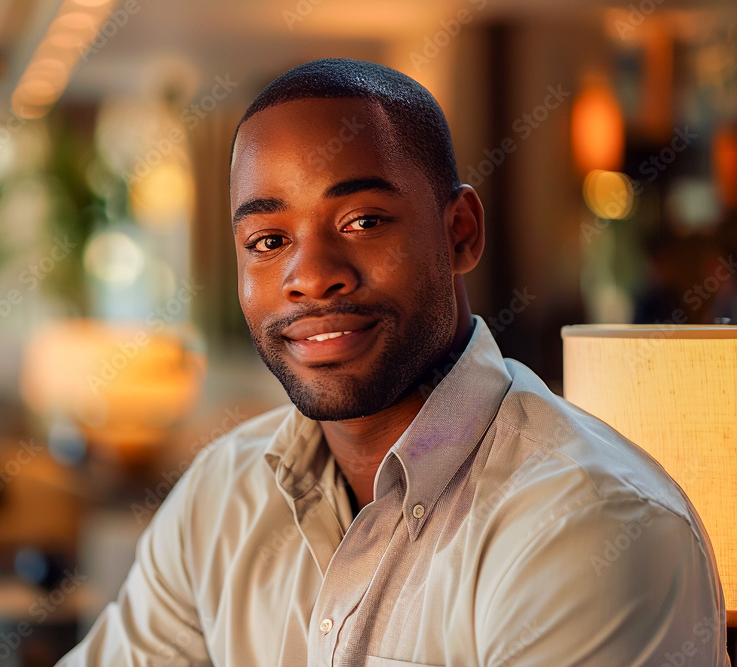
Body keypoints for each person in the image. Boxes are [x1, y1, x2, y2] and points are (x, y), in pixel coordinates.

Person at [57, 58, 730, 666]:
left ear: (460, 232)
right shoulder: (220, 496)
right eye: (267, 240)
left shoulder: (590, 523)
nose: (310, 276)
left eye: (363, 221)